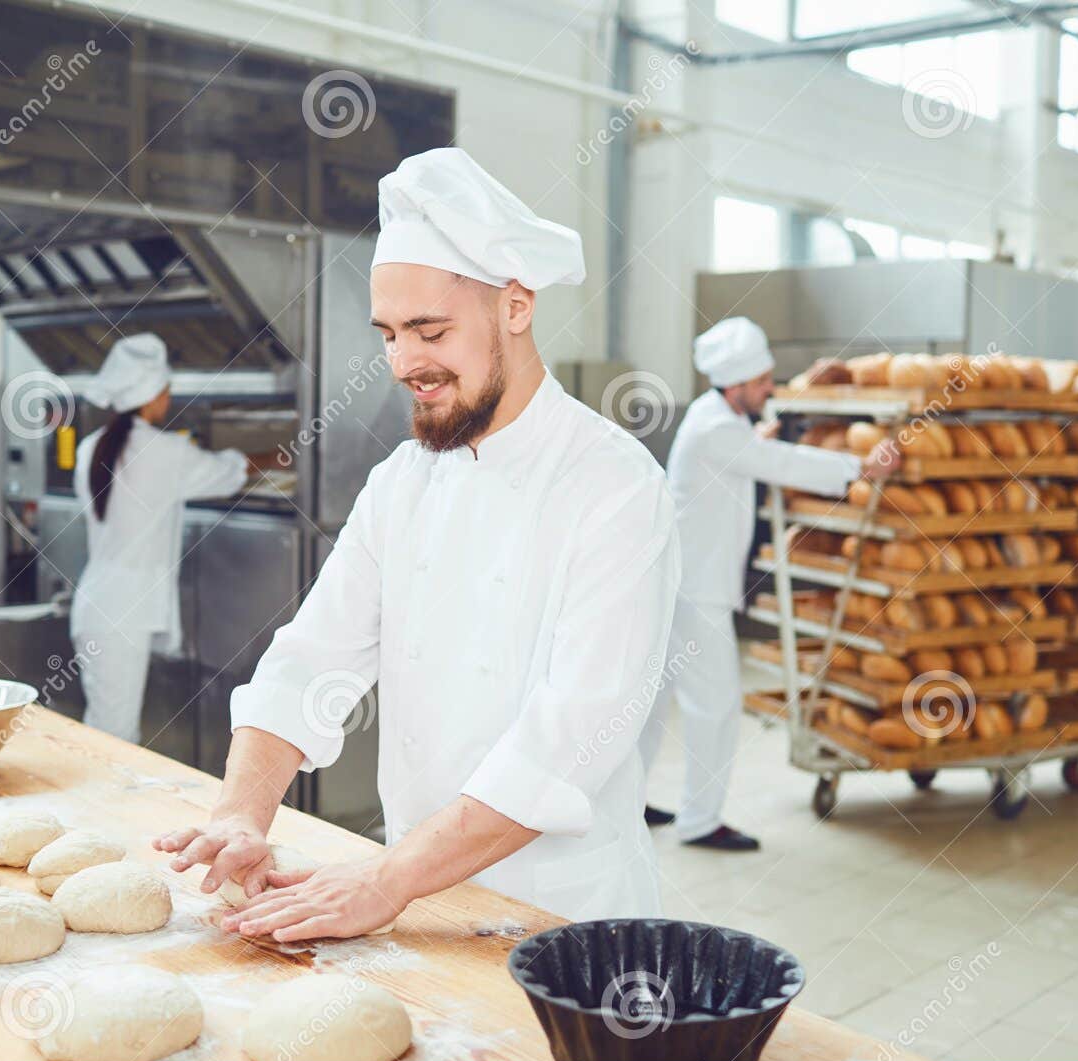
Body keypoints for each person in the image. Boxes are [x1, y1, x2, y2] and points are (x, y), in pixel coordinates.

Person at [152, 147, 680, 940]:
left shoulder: (614, 486)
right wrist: (241, 811)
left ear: (515, 306)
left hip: (568, 922)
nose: (405, 363)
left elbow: (568, 743)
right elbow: (312, 659)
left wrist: (383, 880)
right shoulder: (404, 480)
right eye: (390, 334)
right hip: (420, 902)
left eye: (430, 330)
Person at [639, 318, 899, 849]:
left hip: (678, 582)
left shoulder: (714, 419)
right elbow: (782, 463)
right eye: (762, 382)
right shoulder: (718, 429)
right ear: (735, 386)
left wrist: (755, 440)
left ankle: (626, 805)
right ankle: (701, 821)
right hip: (698, 589)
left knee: (651, 700)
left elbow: (751, 453)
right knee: (715, 704)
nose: (770, 390)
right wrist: (860, 466)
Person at [70, 333, 254, 744]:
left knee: (106, 727)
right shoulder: (161, 451)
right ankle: (109, 808)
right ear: (152, 396)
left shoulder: (91, 448)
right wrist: (273, 455)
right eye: (167, 391)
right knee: (114, 736)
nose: (168, 399)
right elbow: (224, 472)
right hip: (121, 614)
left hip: (99, 603)